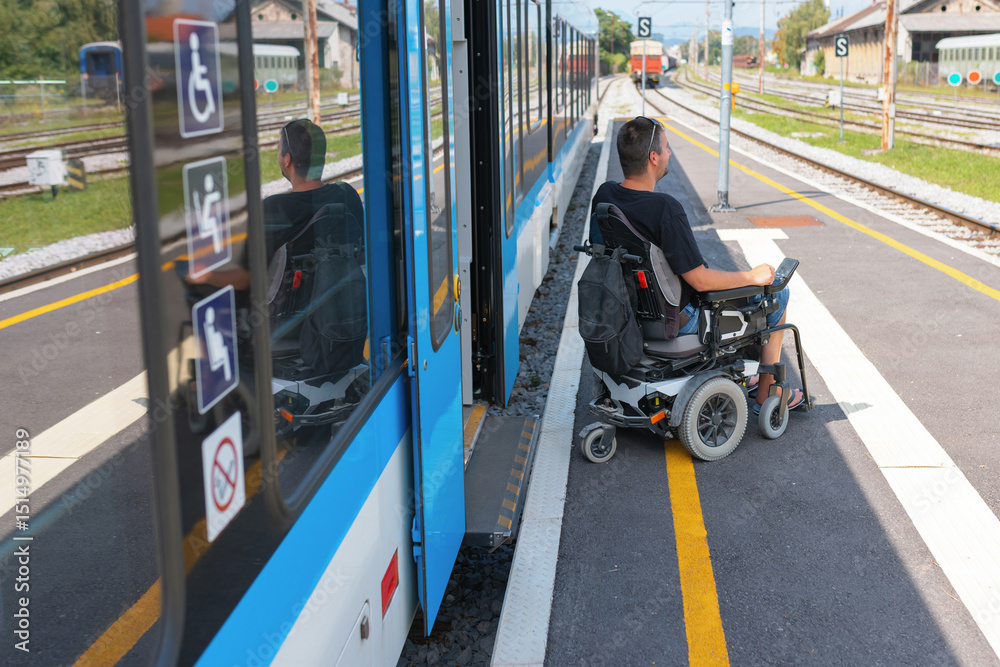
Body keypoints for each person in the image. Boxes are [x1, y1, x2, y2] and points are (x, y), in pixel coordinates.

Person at [590, 116, 806, 413]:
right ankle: (768, 394)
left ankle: (750, 374)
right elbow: (700, 281)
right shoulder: (665, 209)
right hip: (678, 319)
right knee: (777, 294)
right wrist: (752, 276)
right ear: (653, 158)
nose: (669, 153)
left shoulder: (605, 196)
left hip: (627, 315)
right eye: (666, 148)